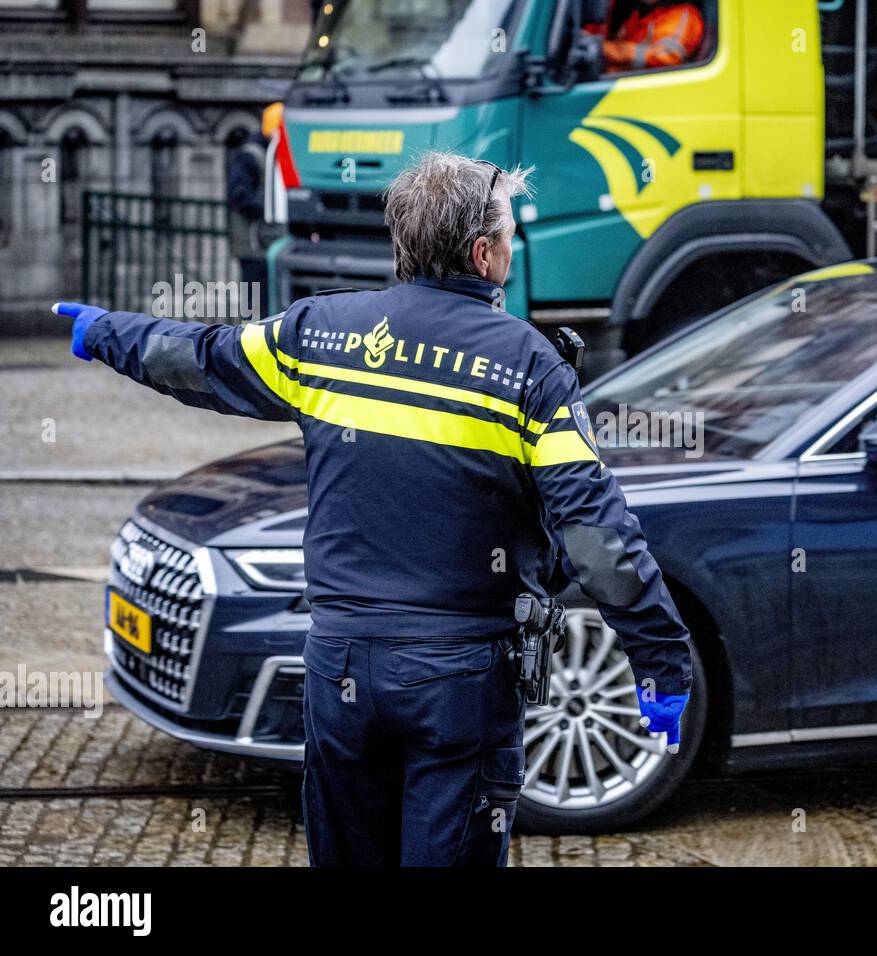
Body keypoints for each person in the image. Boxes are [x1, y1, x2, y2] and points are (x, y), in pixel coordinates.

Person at [51, 150, 693, 867]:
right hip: (461, 680)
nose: (511, 248)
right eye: (509, 235)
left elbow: (200, 357)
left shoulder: (319, 335)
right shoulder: (530, 369)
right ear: (484, 255)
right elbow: (597, 539)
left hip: (339, 671)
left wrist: (105, 331)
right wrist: (661, 659)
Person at [586, 0, 705, 73]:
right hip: (618, 83)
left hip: (653, 95)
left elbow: (667, 56)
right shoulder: (640, 13)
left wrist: (607, 49)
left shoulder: (683, 15)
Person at [226, 127, 270, 318]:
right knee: (254, 307)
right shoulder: (251, 156)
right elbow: (239, 195)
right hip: (253, 244)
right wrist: (271, 209)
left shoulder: (265, 153)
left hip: (265, 243)